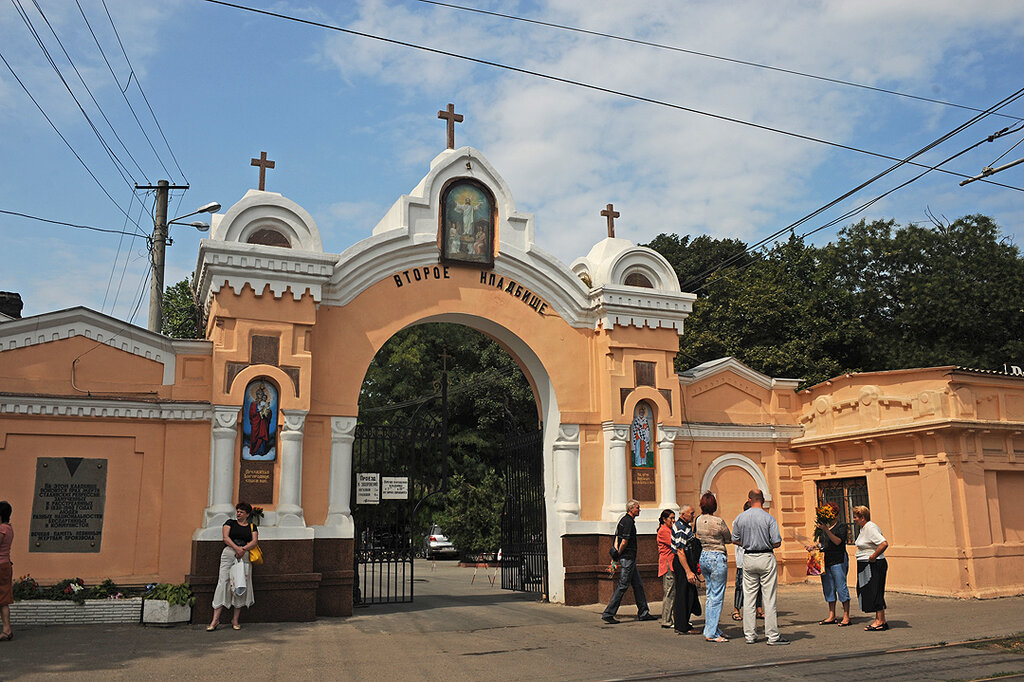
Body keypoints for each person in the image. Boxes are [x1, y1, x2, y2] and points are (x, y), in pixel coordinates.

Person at [731, 489, 788, 645]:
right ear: (762, 500)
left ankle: (750, 635)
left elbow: (735, 539)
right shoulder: (769, 518)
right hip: (766, 556)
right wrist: (764, 542)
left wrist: (749, 542)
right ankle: (772, 636)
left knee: (749, 598)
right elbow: (777, 542)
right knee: (769, 598)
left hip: (748, 557)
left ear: (749, 500)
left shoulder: (740, 518)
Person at [602, 500, 655, 624]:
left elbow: (618, 538)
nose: (639, 509)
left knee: (638, 585)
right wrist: (619, 554)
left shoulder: (623, 520)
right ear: (631, 509)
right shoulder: (628, 522)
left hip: (628, 558)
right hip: (628, 558)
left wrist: (617, 555)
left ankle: (643, 612)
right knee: (623, 585)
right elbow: (624, 541)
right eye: (637, 507)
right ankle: (608, 613)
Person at [209, 502, 259, 631]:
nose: (238, 513)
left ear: (247, 514)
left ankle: (235, 619)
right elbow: (226, 538)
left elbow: (254, 541)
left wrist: (243, 549)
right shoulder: (230, 523)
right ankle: (215, 619)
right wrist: (237, 548)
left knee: (240, 584)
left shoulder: (252, 526)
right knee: (223, 582)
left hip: (244, 555)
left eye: (241, 512)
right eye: (237, 511)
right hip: (229, 553)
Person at [804, 502, 851, 626]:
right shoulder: (823, 527)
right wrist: (813, 546)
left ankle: (846, 616)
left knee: (841, 586)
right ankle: (832, 615)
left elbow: (837, 542)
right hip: (825, 560)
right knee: (828, 587)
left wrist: (827, 530)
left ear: (834, 514)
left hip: (838, 559)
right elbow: (822, 543)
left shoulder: (841, 526)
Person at [696, 492, 732, 642]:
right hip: (717, 557)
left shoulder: (698, 520)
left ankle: (711, 627)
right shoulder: (718, 521)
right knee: (717, 596)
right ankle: (711, 633)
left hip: (703, 556)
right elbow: (728, 538)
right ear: (714, 505)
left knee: (710, 594)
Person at [853, 505, 889, 631]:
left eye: (856, 517)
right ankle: (881, 619)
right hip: (865, 563)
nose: (854, 520)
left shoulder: (870, 527)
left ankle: (879, 621)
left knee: (875, 591)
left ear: (863, 517)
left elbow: (883, 543)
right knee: (869, 591)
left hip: (874, 564)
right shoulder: (864, 528)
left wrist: (874, 556)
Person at [672, 504, 702, 634]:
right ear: (683, 514)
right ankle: (682, 626)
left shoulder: (685, 526)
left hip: (685, 563)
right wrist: (688, 571)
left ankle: (684, 622)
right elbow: (680, 551)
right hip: (682, 564)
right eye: (691, 513)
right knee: (683, 594)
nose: (693, 516)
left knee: (687, 593)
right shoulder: (680, 528)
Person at [731, 501, 763, 622]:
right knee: (740, 586)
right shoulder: (739, 521)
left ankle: (759, 609)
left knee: (758, 584)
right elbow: (735, 539)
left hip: (756, 558)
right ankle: (736, 610)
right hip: (743, 560)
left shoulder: (759, 521)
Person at [656, 509, 676, 629]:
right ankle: (666, 620)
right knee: (669, 591)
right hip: (668, 563)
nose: (673, 521)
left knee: (672, 591)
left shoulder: (668, 530)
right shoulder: (663, 531)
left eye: (674, 518)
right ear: (664, 519)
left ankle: (670, 618)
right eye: (671, 518)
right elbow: (674, 543)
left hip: (671, 562)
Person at [0, 501, 13, 642]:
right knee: (3, 600)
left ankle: (7, 630)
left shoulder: (2, 529)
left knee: (2, 599)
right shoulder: (9, 528)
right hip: (5, 564)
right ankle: (6, 629)